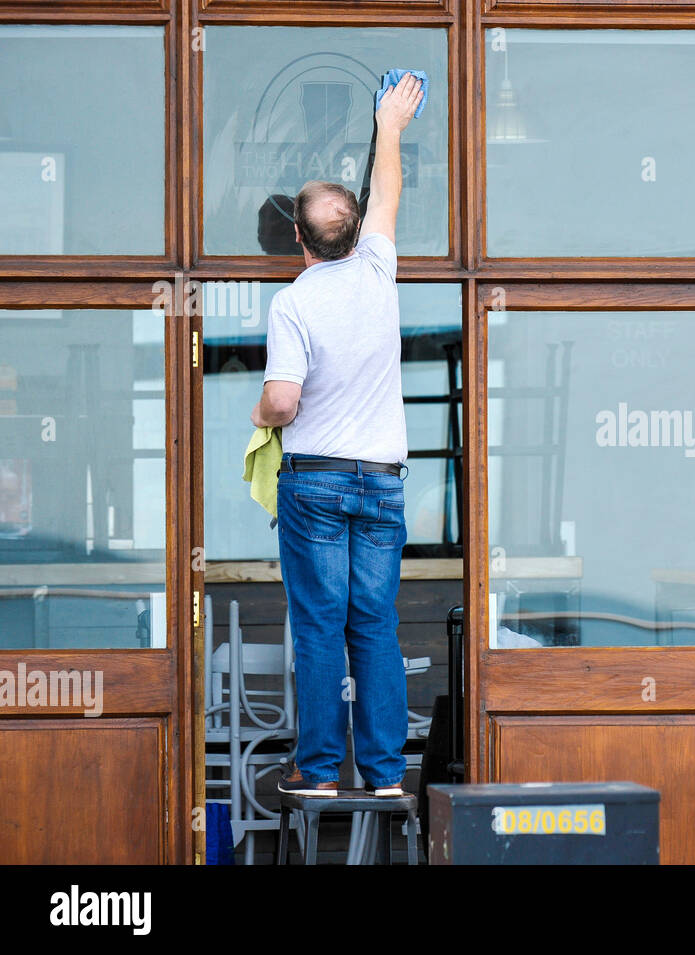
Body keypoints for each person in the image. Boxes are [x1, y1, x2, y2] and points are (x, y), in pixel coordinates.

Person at [252, 72, 425, 797]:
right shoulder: (379, 270)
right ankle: (388, 774)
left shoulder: (294, 301)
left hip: (317, 479)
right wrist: (390, 126)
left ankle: (319, 772)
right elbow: (387, 192)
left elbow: (284, 403)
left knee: (321, 628)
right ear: (355, 233)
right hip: (381, 481)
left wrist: (260, 411)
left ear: (297, 236)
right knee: (374, 626)